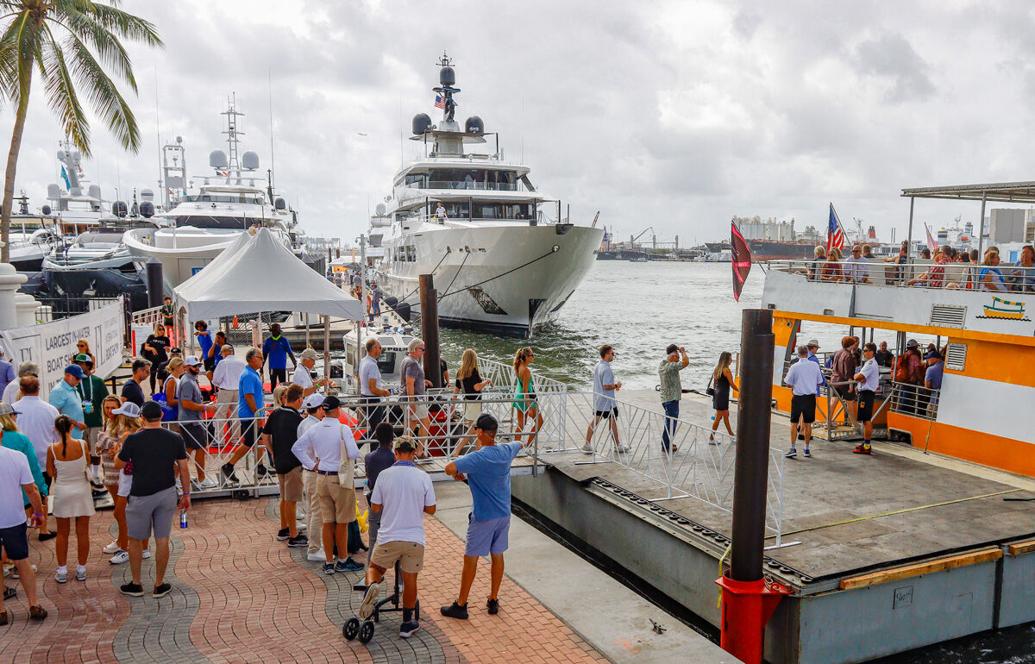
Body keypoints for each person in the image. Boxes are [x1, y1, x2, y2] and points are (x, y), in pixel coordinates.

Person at [440, 414, 524, 620]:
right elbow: (519, 443)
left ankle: (461, 604)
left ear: (479, 432)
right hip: (504, 514)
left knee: (471, 558)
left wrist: (457, 472)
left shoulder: (478, 458)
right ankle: (493, 599)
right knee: (498, 555)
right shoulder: (505, 451)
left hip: (483, 516)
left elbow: (449, 467)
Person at [359, 435, 436, 638]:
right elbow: (431, 509)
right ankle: (407, 623)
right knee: (410, 580)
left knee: (375, 568)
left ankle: (373, 586)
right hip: (414, 539)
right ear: (414, 454)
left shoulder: (384, 475)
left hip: (389, 536)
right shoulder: (423, 477)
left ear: (395, 453)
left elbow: (375, 507)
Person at [116, 401, 190, 599]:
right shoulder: (175, 438)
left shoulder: (133, 440)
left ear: (142, 418)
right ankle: (159, 583)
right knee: (162, 537)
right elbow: (183, 468)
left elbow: (118, 463)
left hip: (140, 494)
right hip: (167, 492)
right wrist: (186, 494)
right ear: (161, 416)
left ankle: (137, 583)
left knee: (135, 539)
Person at [291, 395, 364, 574]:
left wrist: (311, 464)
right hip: (339, 478)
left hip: (321, 476)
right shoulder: (343, 429)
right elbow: (354, 453)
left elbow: (297, 448)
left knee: (327, 521)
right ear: (337, 410)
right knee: (342, 522)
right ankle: (343, 559)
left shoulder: (315, 428)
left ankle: (329, 562)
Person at [0, 442, 48, 625]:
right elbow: (31, 489)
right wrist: (38, 513)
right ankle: (34, 604)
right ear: (2, 435)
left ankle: (1, 611)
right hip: (13, 518)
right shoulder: (17, 457)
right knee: (22, 560)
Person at [47, 415, 96, 583]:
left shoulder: (52, 448)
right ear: (71, 428)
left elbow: (51, 472)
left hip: (63, 490)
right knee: (83, 533)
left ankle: (62, 570)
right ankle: (81, 569)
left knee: (62, 533)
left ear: (56, 429)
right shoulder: (82, 445)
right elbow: (87, 464)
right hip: (82, 490)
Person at [0, 401, 48, 561]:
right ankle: (12, 564)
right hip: (17, 496)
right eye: (14, 415)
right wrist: (42, 488)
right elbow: (34, 467)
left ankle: (5, 565)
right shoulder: (20, 439)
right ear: (9, 417)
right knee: (16, 541)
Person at [261, 383, 306, 548]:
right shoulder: (298, 420)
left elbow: (265, 437)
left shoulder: (275, 414)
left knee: (284, 498)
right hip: (293, 463)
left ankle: (284, 528)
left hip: (279, 461)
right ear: (299, 399)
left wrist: (273, 453)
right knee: (292, 500)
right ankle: (293, 535)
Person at [13, 376, 58, 540]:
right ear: (39, 388)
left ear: (21, 390)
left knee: (23, 494)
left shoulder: (13, 409)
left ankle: (29, 521)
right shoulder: (51, 409)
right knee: (42, 494)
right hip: (43, 461)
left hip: (19, 461)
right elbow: (57, 437)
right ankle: (43, 529)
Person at [97, 396, 136, 564]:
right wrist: (103, 443)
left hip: (120, 474)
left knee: (121, 512)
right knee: (120, 512)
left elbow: (119, 445)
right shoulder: (108, 424)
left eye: (113, 408)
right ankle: (122, 540)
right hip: (109, 472)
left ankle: (126, 546)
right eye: (106, 408)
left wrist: (102, 440)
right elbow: (105, 446)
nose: (110, 411)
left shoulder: (124, 425)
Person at [222, 348, 267, 483]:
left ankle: (260, 467)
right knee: (248, 443)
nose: (262, 360)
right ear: (252, 359)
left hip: (253, 415)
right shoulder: (248, 375)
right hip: (250, 415)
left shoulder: (253, 374)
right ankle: (229, 465)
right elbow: (248, 396)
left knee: (259, 440)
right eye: (260, 357)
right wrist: (257, 413)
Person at [177, 357, 215, 490]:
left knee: (187, 451)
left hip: (190, 420)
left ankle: (175, 478)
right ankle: (201, 479)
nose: (197, 369)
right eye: (194, 366)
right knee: (200, 448)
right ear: (186, 367)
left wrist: (203, 406)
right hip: (191, 421)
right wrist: (205, 408)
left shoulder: (189, 380)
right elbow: (186, 403)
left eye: (198, 366)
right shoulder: (187, 382)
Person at [297, 393, 326, 562]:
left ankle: (312, 543)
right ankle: (314, 548)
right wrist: (315, 464)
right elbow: (316, 451)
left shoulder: (304, 423)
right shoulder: (314, 427)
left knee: (310, 510)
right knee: (316, 511)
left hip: (307, 471)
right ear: (320, 409)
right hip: (314, 472)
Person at [783, 346, 824, 459]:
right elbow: (820, 381)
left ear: (798, 354)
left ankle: (792, 448)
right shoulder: (814, 365)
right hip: (810, 397)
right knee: (808, 423)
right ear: (807, 353)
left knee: (794, 422)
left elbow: (788, 383)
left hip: (798, 397)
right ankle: (806, 449)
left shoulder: (794, 367)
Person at [75, 353, 109, 489]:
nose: (79, 366)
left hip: (95, 421)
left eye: (81, 364)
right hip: (79, 423)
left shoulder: (97, 381)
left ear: (88, 365)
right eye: (77, 364)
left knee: (95, 450)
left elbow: (107, 400)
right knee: (83, 450)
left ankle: (95, 475)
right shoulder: (74, 382)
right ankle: (86, 475)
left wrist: (108, 420)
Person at [583, 344, 624, 454]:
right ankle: (617, 445)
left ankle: (588, 443)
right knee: (610, 422)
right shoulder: (606, 369)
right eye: (612, 353)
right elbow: (606, 385)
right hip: (608, 402)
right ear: (606, 354)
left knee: (606, 422)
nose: (613, 355)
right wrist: (616, 385)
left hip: (599, 400)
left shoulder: (598, 365)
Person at [363, 422, 396, 553]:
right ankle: (398, 574)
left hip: (375, 500)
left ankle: (372, 572)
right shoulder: (394, 459)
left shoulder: (368, 457)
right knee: (395, 540)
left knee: (373, 540)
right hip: (392, 502)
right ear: (392, 438)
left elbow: (369, 478)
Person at [211, 344, 245, 447]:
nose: (221, 355)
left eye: (221, 353)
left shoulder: (223, 363)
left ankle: (219, 439)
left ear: (225, 352)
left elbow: (216, 379)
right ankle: (235, 439)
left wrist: (217, 384)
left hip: (225, 390)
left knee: (221, 414)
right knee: (236, 415)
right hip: (238, 390)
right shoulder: (241, 362)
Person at [401, 339, 433, 446]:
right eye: (422, 349)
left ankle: (403, 449)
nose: (424, 352)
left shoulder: (406, 360)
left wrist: (422, 381)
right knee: (426, 423)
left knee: (411, 425)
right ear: (414, 349)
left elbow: (410, 380)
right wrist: (412, 402)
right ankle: (419, 450)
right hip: (415, 399)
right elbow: (409, 383)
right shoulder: (413, 363)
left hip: (406, 397)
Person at [658, 344, 689, 453]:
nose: (679, 359)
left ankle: (666, 442)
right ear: (673, 356)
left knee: (669, 422)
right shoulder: (670, 366)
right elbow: (686, 363)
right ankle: (666, 446)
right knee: (671, 423)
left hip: (666, 398)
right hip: (671, 399)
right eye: (678, 356)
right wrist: (683, 351)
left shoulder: (662, 364)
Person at [359, 338, 391, 441]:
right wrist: (384, 392)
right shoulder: (372, 365)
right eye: (379, 348)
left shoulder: (363, 361)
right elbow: (372, 388)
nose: (380, 350)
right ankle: (373, 452)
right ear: (374, 349)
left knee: (374, 429)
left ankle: (357, 444)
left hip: (364, 397)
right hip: (372, 399)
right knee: (377, 430)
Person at [852, 343, 880, 456]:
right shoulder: (870, 363)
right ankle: (865, 443)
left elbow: (859, 377)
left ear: (872, 352)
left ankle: (867, 445)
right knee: (865, 419)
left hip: (866, 394)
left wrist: (856, 376)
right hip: (866, 393)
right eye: (864, 350)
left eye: (866, 350)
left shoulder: (870, 364)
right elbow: (862, 378)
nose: (864, 352)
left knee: (866, 420)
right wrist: (860, 378)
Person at [454, 348, 492, 431]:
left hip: (466, 402)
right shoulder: (473, 371)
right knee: (474, 427)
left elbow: (456, 389)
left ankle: (473, 443)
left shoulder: (460, 371)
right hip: (475, 402)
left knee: (471, 426)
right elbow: (477, 387)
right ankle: (468, 443)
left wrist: (453, 404)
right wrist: (486, 381)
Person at [512, 346, 543, 446]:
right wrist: (529, 407)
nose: (533, 357)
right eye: (531, 355)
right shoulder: (526, 371)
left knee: (521, 424)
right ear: (526, 357)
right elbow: (526, 391)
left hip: (519, 396)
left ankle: (515, 446)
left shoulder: (519, 366)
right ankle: (529, 445)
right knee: (539, 422)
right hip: (527, 398)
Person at [49, 365, 87, 443]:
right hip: (66, 439)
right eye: (77, 378)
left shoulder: (72, 388)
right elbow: (54, 414)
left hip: (76, 436)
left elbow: (71, 408)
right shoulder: (59, 391)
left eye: (80, 378)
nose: (79, 381)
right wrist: (76, 423)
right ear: (67, 376)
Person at [709, 351, 739, 443]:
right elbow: (732, 384)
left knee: (725, 415)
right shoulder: (726, 370)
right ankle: (711, 438)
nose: (732, 360)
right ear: (726, 359)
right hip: (723, 395)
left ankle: (731, 435)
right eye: (730, 358)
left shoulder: (717, 368)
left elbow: (715, 383)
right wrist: (740, 391)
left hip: (718, 394)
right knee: (719, 417)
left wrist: (715, 395)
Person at [830, 336, 859, 423]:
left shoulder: (838, 352)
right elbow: (848, 372)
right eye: (854, 343)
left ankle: (828, 421)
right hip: (844, 382)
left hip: (835, 380)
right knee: (850, 403)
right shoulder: (849, 355)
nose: (855, 345)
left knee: (833, 402)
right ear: (851, 344)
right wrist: (851, 386)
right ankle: (853, 423)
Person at [262, 323, 296, 392]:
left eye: (276, 330)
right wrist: (261, 367)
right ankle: (273, 398)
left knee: (282, 386)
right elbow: (264, 355)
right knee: (273, 384)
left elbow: (290, 352)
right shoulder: (268, 341)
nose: (274, 332)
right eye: (273, 331)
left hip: (282, 367)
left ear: (279, 331)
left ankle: (282, 401)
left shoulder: (284, 340)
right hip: (272, 367)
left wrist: (295, 363)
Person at [894, 339, 924, 415]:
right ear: (914, 347)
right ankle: (903, 413)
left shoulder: (905, 354)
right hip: (910, 380)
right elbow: (917, 370)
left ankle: (898, 411)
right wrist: (921, 381)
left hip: (903, 379)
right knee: (907, 400)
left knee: (901, 396)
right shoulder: (915, 357)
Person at [141, 324, 171, 393]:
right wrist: (152, 348)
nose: (162, 331)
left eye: (163, 329)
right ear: (156, 330)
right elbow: (146, 347)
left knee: (162, 375)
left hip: (163, 359)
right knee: (153, 375)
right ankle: (153, 391)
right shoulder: (151, 337)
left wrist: (167, 349)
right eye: (160, 329)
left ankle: (161, 391)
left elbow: (168, 350)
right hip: (153, 360)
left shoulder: (166, 339)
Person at [924, 349, 944, 416]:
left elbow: (927, 386)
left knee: (930, 415)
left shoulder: (931, 369)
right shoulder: (945, 366)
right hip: (945, 401)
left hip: (935, 400)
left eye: (928, 358)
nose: (927, 360)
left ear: (934, 358)